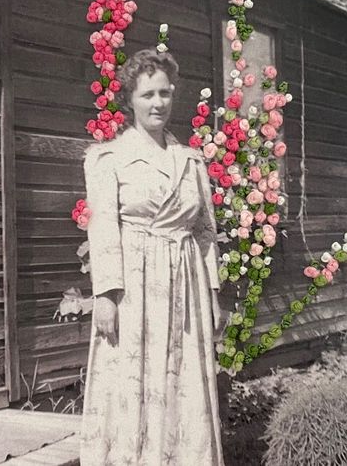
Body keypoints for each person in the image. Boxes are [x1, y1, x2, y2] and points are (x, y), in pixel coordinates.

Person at [79, 48, 225, 465]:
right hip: (134, 286)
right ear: (130, 100)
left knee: (184, 382)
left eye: (164, 93)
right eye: (147, 95)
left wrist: (213, 295)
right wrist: (105, 294)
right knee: (131, 381)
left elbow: (205, 232)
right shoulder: (109, 158)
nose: (158, 103)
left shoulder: (190, 160)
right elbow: (103, 224)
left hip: (186, 285)